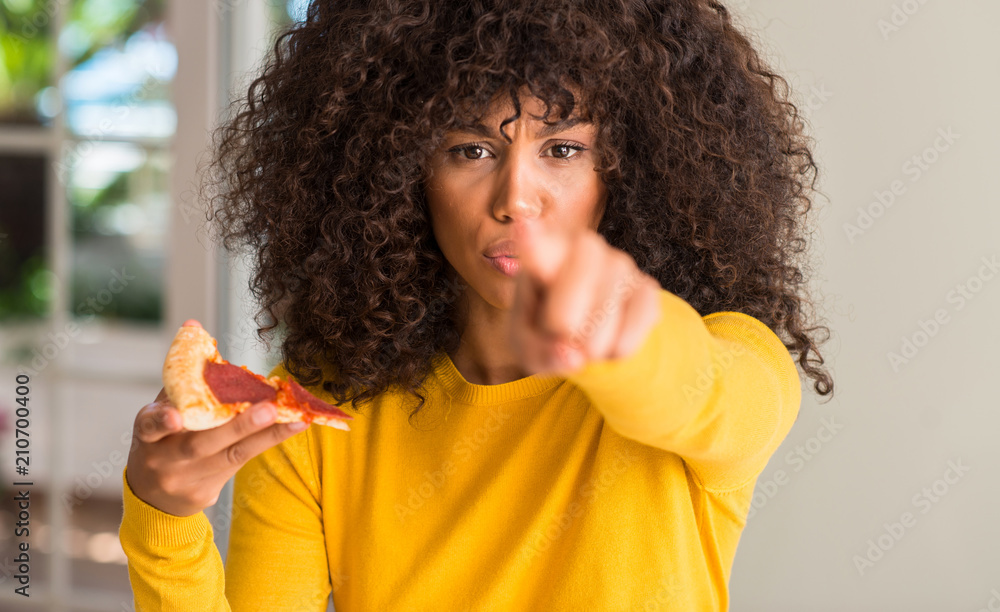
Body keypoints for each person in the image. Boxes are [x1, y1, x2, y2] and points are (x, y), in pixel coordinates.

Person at [119, 0, 834, 610]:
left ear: (631, 172)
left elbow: (696, 391)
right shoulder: (318, 409)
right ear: (399, 174)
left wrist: (610, 319)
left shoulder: (736, 361)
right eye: (470, 149)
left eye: (563, 150)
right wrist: (167, 520)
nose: (515, 199)